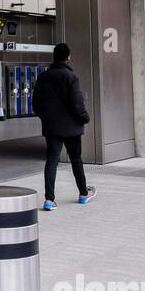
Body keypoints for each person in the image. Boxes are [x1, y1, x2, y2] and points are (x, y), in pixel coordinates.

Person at [32, 43, 97, 212]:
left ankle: (49, 200)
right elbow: (77, 103)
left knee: (52, 161)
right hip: (72, 128)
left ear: (54, 57)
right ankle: (83, 193)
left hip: (52, 127)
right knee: (76, 159)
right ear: (68, 57)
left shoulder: (43, 77)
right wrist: (85, 118)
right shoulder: (71, 77)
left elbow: (36, 104)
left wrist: (46, 118)